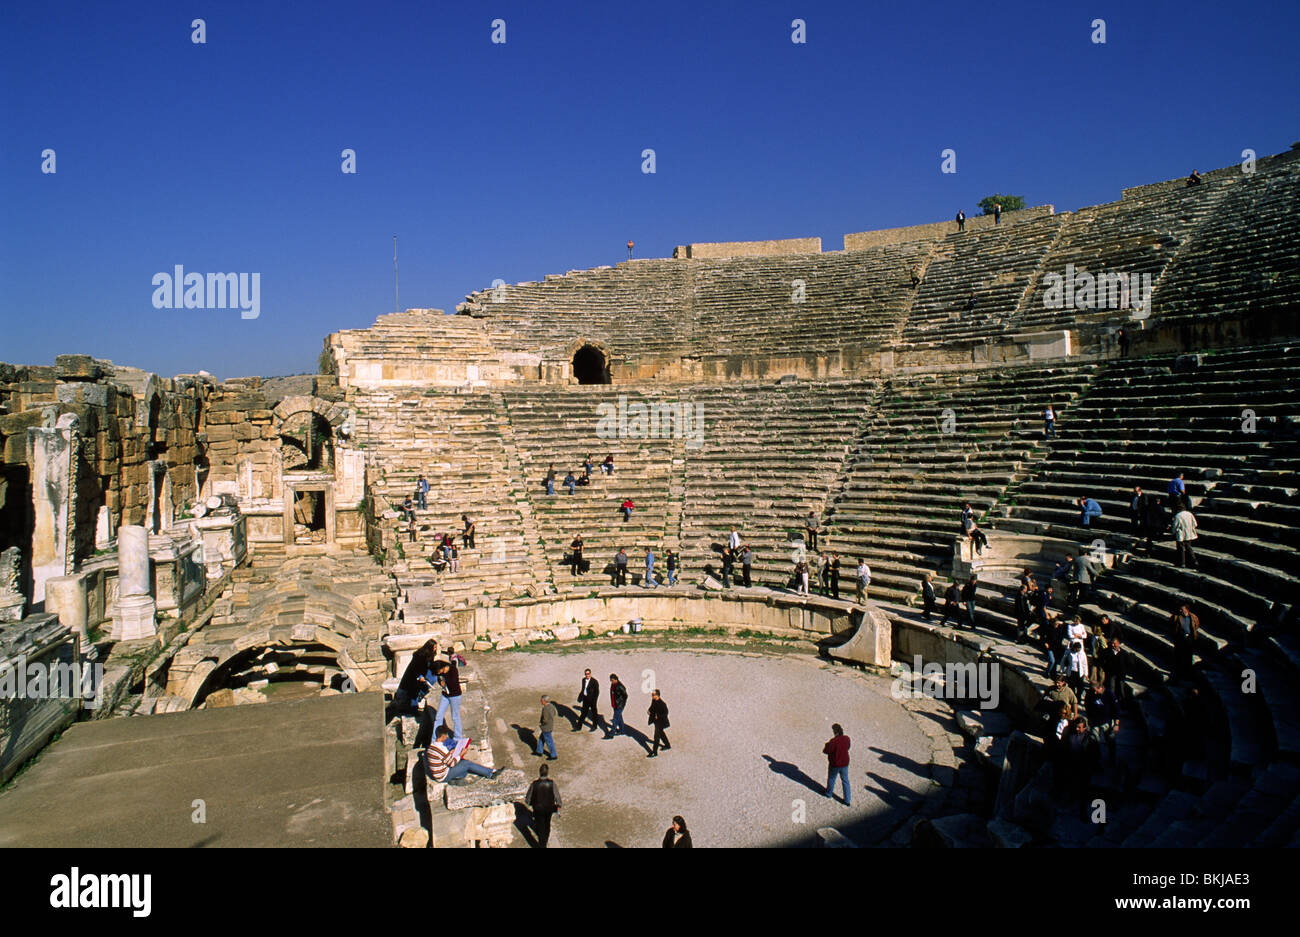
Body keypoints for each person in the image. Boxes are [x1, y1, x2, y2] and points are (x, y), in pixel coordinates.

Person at [426, 726, 502, 784]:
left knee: (463, 767)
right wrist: (461, 753)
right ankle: (491, 773)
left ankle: (458, 776)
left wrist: (450, 753)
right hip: (442, 776)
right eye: (445, 736)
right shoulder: (442, 749)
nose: (446, 737)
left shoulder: (431, 747)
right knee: (466, 764)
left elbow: (441, 757)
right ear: (442, 736)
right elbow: (452, 764)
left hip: (437, 774)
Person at [525, 764, 561, 847]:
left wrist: (531, 803)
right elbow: (557, 796)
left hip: (538, 809)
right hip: (549, 809)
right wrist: (559, 805)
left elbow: (527, 799)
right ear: (547, 773)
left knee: (540, 826)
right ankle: (545, 840)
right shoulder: (552, 783)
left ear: (539, 772)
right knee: (547, 824)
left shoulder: (534, 784)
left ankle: (542, 844)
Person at [432, 659, 463, 740]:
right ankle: (435, 739)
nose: (439, 673)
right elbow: (439, 679)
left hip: (455, 695)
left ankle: (458, 737)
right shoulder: (441, 673)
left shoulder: (453, 669)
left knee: (455, 717)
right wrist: (440, 682)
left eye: (439, 671)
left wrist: (445, 682)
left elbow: (454, 683)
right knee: (438, 717)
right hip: (445, 695)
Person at [823, 723, 852, 806]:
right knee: (845, 780)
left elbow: (826, 751)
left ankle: (829, 793)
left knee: (832, 779)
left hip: (835, 764)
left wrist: (827, 745)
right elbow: (848, 747)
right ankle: (847, 800)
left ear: (835, 732)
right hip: (845, 763)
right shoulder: (847, 739)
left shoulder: (833, 741)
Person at [1171, 604, 1199, 681]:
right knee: (1179, 657)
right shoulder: (1176, 617)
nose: (1180, 610)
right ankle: (1179, 674)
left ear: (1187, 610)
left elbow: (1196, 625)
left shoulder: (1193, 617)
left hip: (1189, 638)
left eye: (1181, 609)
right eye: (1180, 609)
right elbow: (1172, 626)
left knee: (1188, 657)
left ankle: (1187, 674)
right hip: (1180, 639)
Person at [647, 689, 671, 757]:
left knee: (656, 737)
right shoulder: (654, 700)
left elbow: (666, 713)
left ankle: (654, 752)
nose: (652, 696)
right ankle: (667, 745)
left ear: (657, 695)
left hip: (661, 722)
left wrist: (658, 716)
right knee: (661, 733)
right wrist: (649, 710)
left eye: (653, 695)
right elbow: (652, 707)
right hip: (656, 721)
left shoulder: (662, 704)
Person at [534, 695, 558, 759]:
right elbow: (554, 713)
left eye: (541, 700)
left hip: (546, 728)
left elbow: (545, 720)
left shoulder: (545, 709)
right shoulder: (552, 706)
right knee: (541, 739)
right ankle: (539, 751)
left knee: (549, 742)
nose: (541, 701)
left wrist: (541, 724)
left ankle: (553, 755)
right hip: (550, 726)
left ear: (544, 701)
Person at [605, 674, 628, 738]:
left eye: (612, 680)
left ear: (616, 679)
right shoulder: (613, 685)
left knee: (615, 719)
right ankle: (622, 730)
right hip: (614, 705)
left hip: (619, 706)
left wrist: (621, 703)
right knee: (619, 718)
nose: (611, 682)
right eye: (610, 680)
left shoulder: (620, 686)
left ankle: (612, 733)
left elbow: (625, 696)